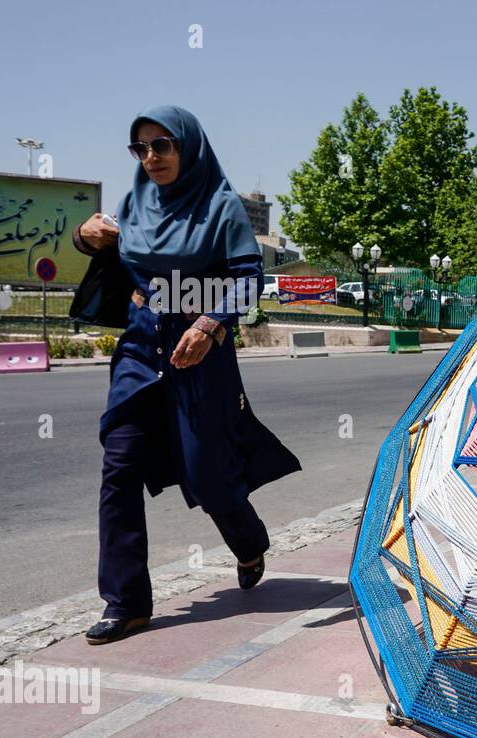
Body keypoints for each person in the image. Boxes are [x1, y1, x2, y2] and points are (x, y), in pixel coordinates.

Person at [75, 105, 301, 645]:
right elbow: (107, 247)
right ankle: (125, 602)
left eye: (163, 146)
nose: (151, 157)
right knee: (119, 468)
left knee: (207, 474)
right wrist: (86, 236)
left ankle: (249, 542)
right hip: (139, 346)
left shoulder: (221, 208)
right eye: (141, 149)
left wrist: (209, 323)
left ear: (189, 147)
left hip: (200, 347)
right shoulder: (134, 203)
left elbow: (249, 277)